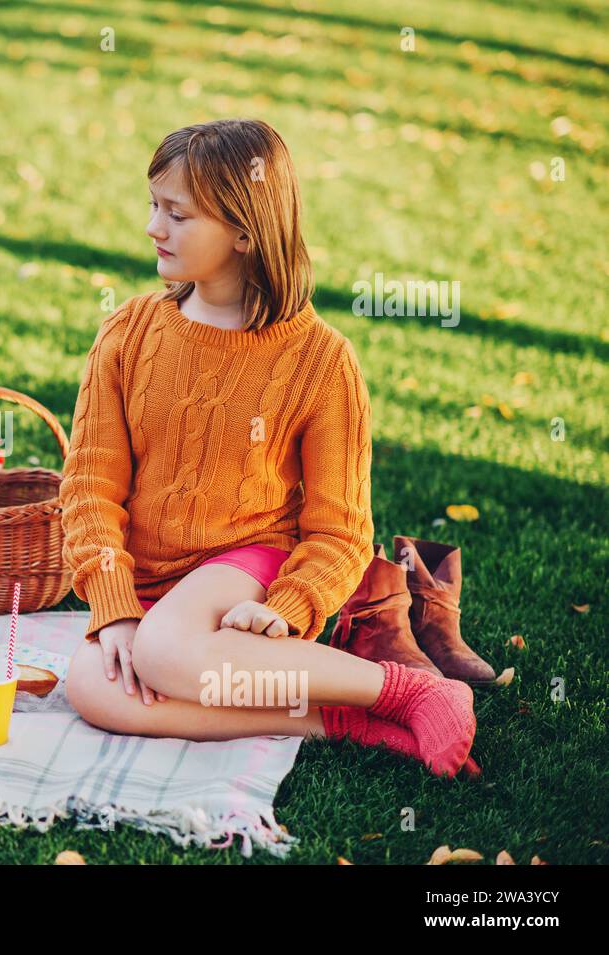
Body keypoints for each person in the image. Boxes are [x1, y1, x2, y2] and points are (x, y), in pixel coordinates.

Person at [59, 120, 478, 779]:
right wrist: (113, 610)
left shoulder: (321, 361)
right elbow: (89, 487)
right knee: (91, 683)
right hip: (154, 585)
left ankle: (408, 689)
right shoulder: (128, 334)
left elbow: (340, 530)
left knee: (165, 650)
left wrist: (285, 609)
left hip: (251, 565)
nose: (153, 228)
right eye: (153, 206)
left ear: (246, 232)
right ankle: (349, 722)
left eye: (177, 213)